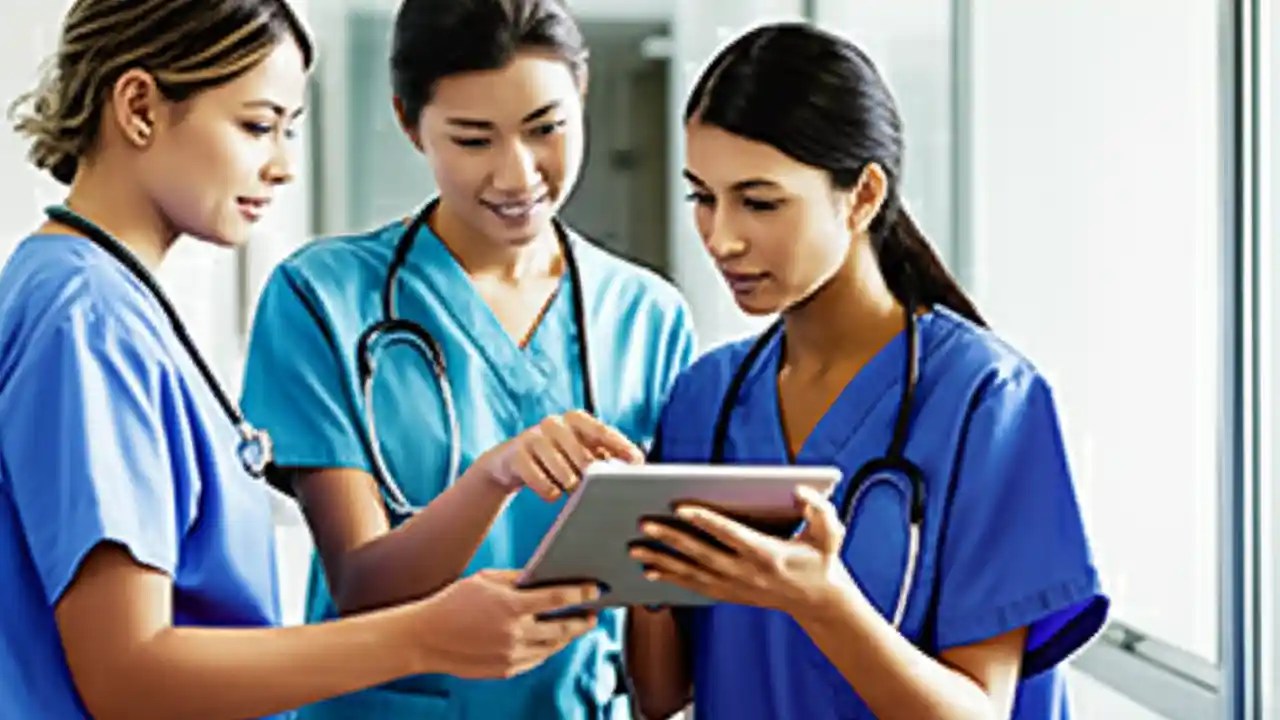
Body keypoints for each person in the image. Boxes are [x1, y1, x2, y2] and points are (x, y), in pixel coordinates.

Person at [0, 2, 605, 718]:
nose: (284, 167)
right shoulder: (87, 313)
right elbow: (128, 673)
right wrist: (423, 637)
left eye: (290, 130)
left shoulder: (102, 299)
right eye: (258, 126)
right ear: (138, 107)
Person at [625, 22, 1109, 720]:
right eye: (703, 196)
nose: (722, 238)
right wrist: (639, 564)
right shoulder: (708, 397)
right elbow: (661, 695)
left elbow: (980, 711)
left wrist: (823, 604)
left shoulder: (987, 400)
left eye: (759, 202)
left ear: (862, 195)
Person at [238, 0, 697, 717]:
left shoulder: (650, 317)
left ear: (582, 92)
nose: (518, 177)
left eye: (546, 129)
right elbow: (363, 585)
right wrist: (495, 475)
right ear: (407, 121)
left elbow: (656, 663)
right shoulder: (322, 297)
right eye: (473, 139)